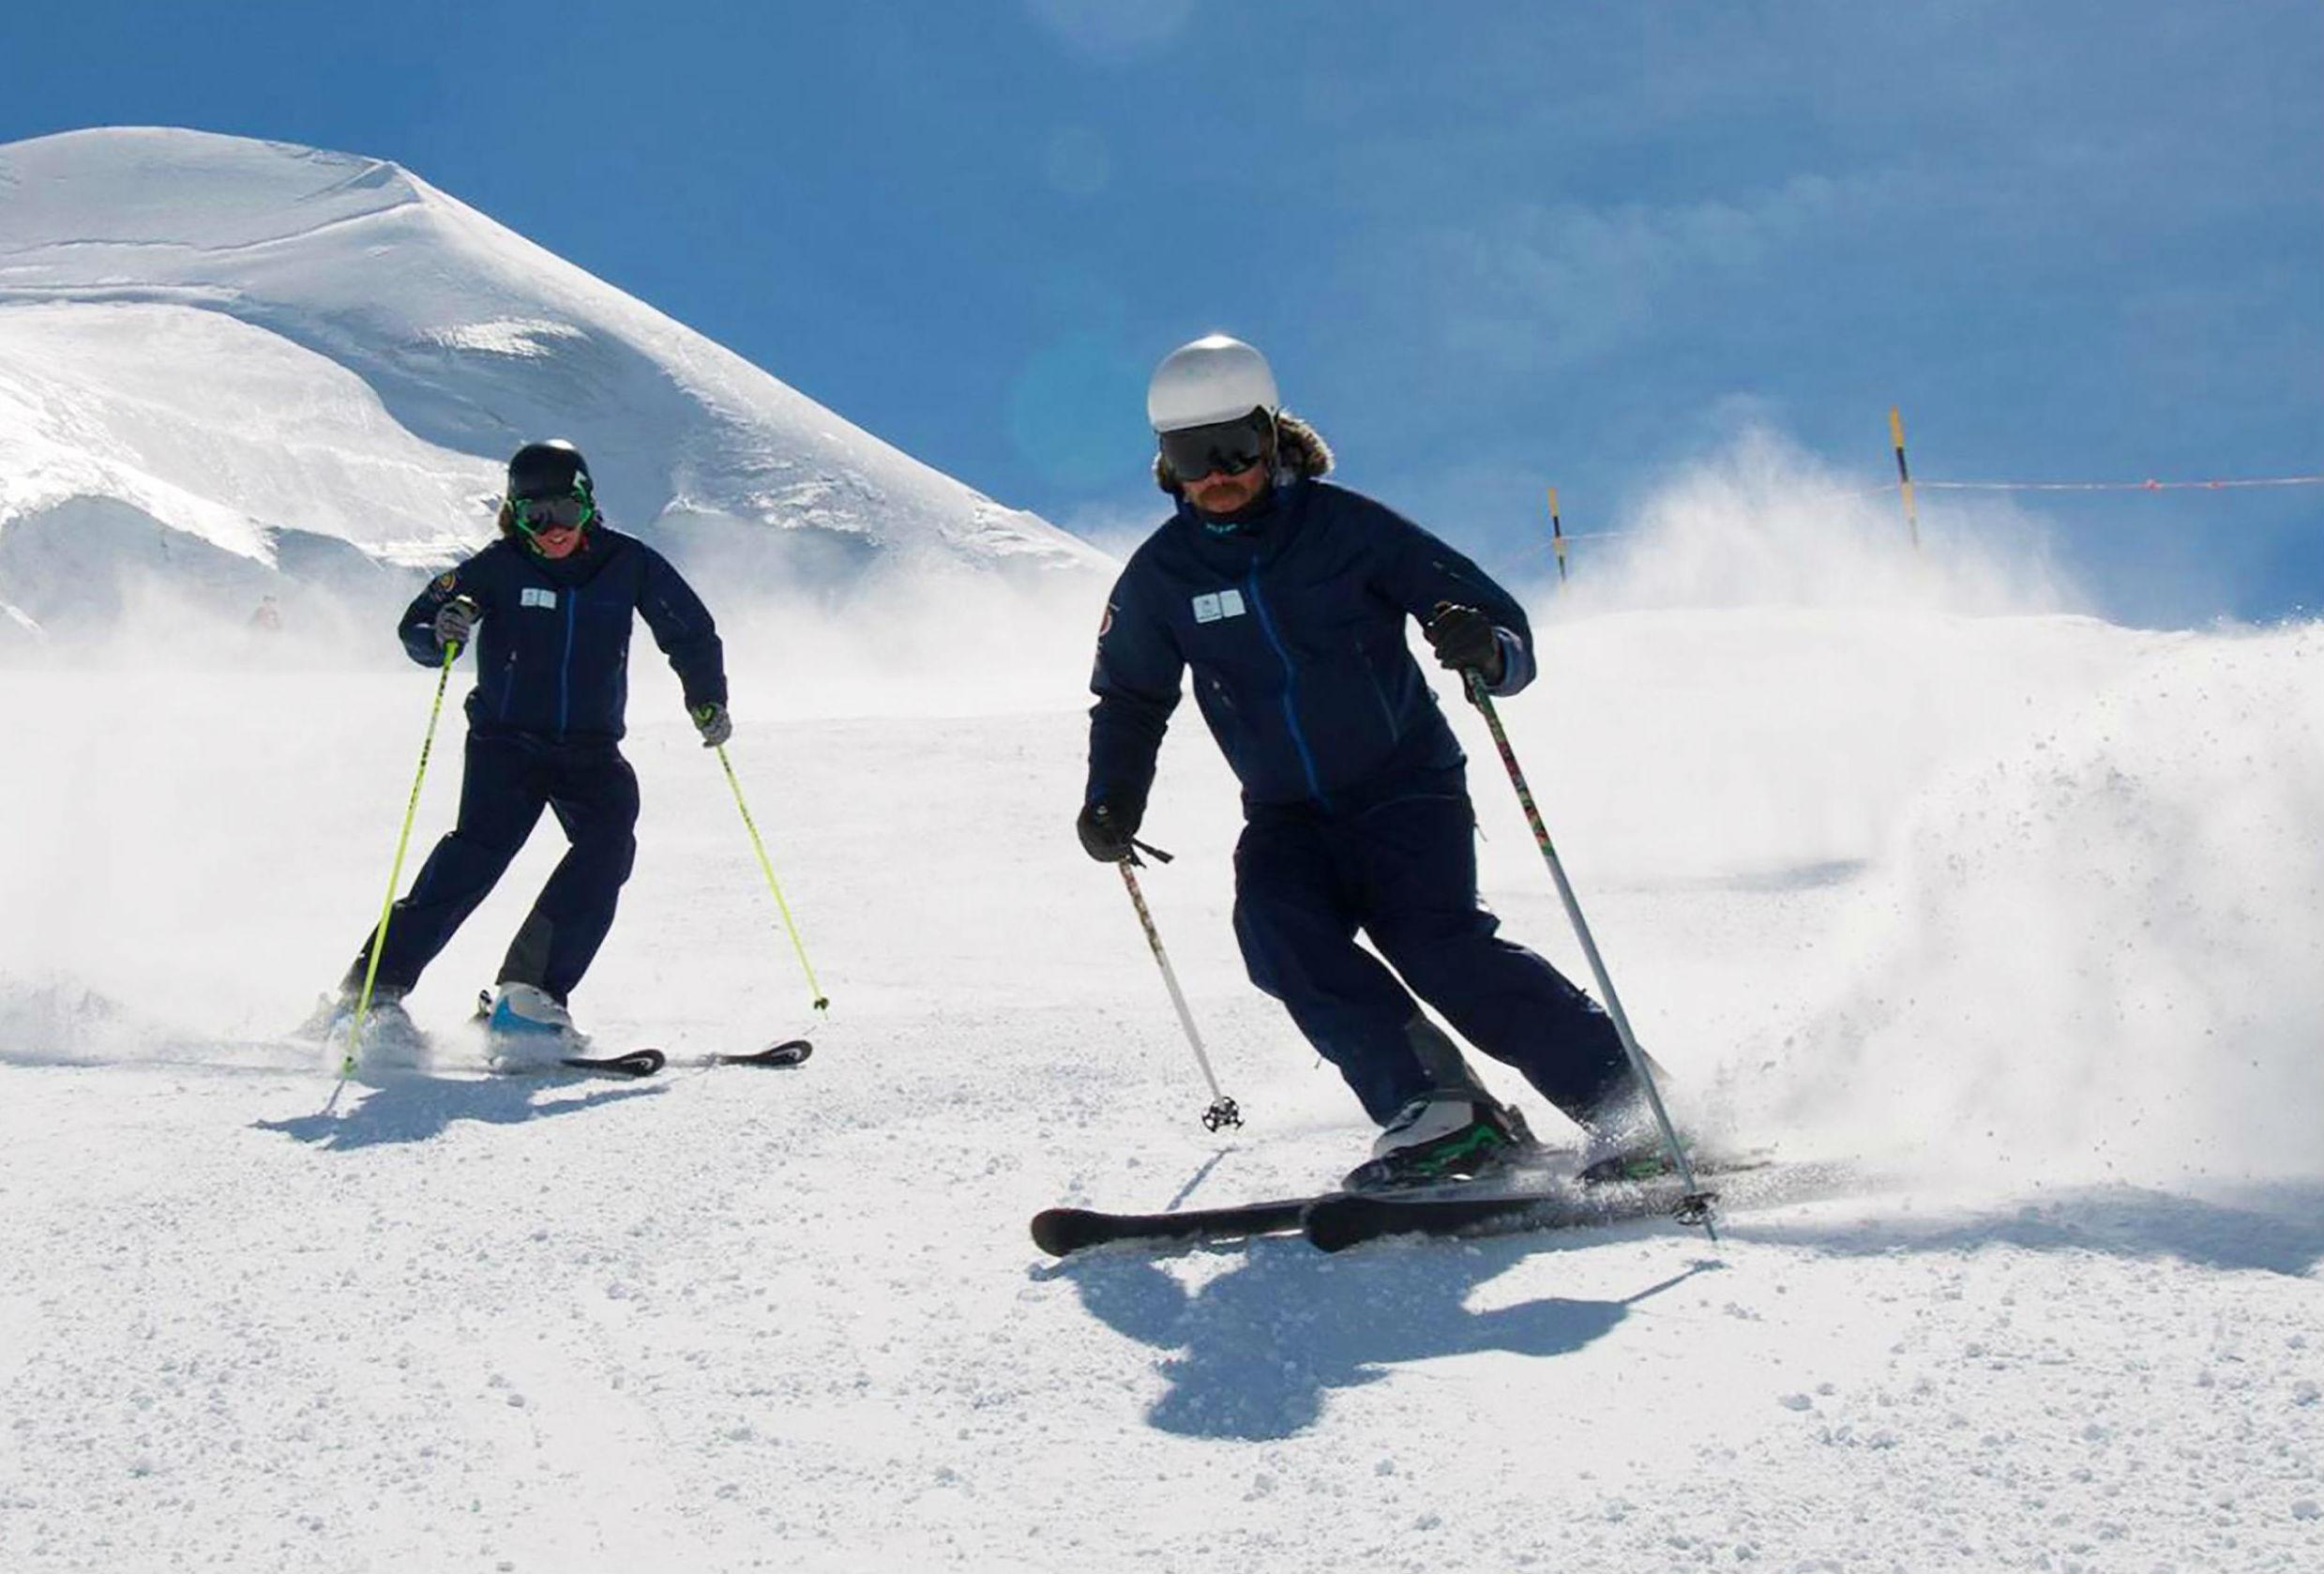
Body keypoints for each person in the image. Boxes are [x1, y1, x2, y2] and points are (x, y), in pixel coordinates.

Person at [1079, 334, 1661, 1189]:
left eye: (1234, 448)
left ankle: (1630, 1103)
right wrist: (1112, 798)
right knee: (1278, 935)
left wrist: (1484, 648)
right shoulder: (1163, 577)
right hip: (1286, 813)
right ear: (1167, 464)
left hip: (1404, 788)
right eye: (1193, 457)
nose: (1218, 475)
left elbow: (1500, 626)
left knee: (1438, 947)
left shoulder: (1349, 530)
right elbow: (1131, 697)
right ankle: (1442, 1108)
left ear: (1270, 436)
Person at [322, 439, 731, 1066]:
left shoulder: (629, 564)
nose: (552, 529)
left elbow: (691, 633)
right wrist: (442, 630)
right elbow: (419, 623)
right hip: (505, 743)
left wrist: (707, 698)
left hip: (591, 748)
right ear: (513, 515)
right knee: (474, 858)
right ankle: (367, 996)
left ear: (588, 505)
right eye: (534, 515)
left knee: (608, 844)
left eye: (565, 510)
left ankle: (528, 996)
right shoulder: (497, 567)